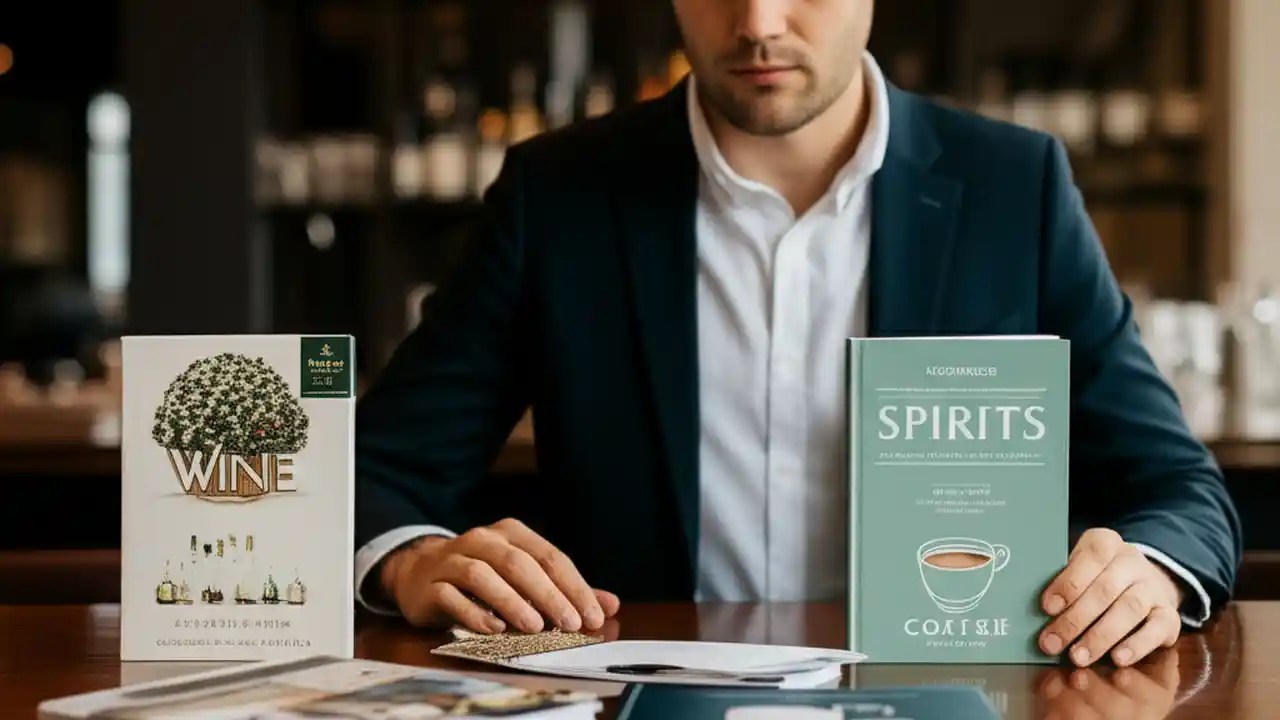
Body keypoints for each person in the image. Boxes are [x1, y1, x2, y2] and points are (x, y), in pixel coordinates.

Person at [354, 0, 1241, 670]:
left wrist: (1150, 571)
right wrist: (410, 560)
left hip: (943, 689)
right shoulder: (558, 194)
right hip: (643, 696)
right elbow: (373, 473)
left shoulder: (1015, 185)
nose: (759, 24)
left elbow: (1179, 489)